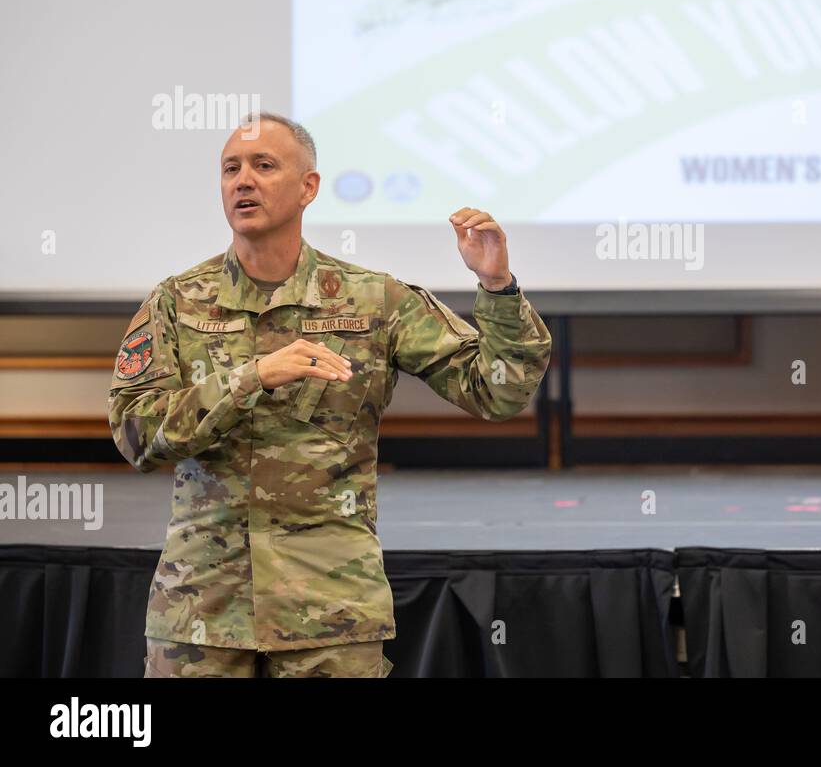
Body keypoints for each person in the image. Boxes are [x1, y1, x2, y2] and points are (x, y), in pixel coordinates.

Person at [107, 111, 551, 677]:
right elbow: (135, 434)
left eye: (264, 166)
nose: (243, 180)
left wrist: (497, 286)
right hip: (201, 612)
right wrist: (249, 379)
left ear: (309, 187)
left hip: (330, 613)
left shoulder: (373, 301)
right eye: (230, 168)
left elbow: (498, 393)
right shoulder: (176, 302)